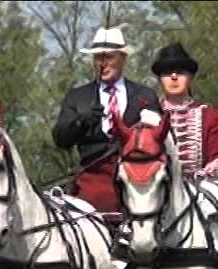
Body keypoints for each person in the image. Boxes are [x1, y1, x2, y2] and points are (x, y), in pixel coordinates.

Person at [52, 26, 162, 216]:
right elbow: (60, 138)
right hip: (92, 179)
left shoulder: (144, 95)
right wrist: (82, 122)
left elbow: (158, 137)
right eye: (98, 58)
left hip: (136, 179)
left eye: (109, 57)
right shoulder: (78, 97)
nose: (103, 64)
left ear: (123, 59)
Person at [151, 42, 218, 179]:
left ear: (191, 79)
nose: (174, 77)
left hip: (201, 188)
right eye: (167, 73)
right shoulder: (148, 115)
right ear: (160, 80)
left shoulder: (211, 116)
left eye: (180, 72)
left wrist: (205, 174)